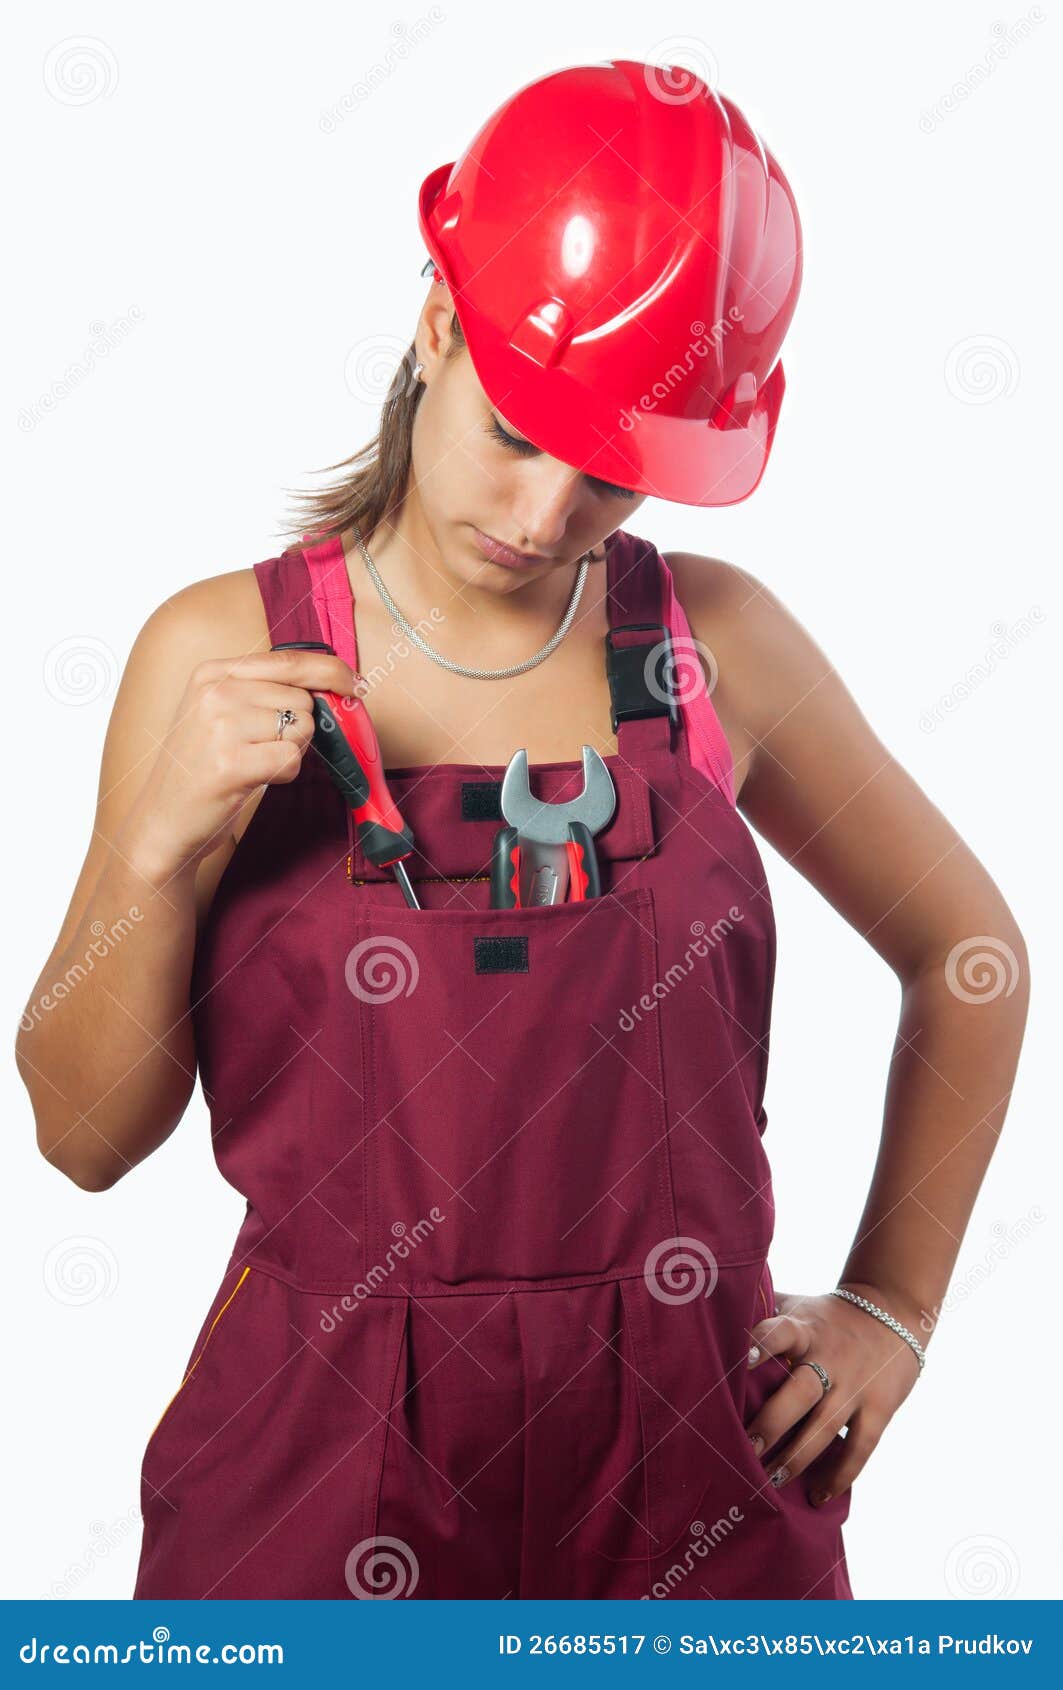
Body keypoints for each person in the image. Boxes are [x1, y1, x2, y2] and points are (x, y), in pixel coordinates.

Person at [16, 60, 1027, 1602]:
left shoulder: (718, 653)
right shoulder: (215, 650)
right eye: (515, 430)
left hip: (693, 1479)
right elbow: (86, 1140)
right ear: (437, 320)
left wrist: (894, 1304)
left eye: (613, 473)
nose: (548, 513)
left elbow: (971, 951)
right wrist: (156, 846)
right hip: (314, 1482)